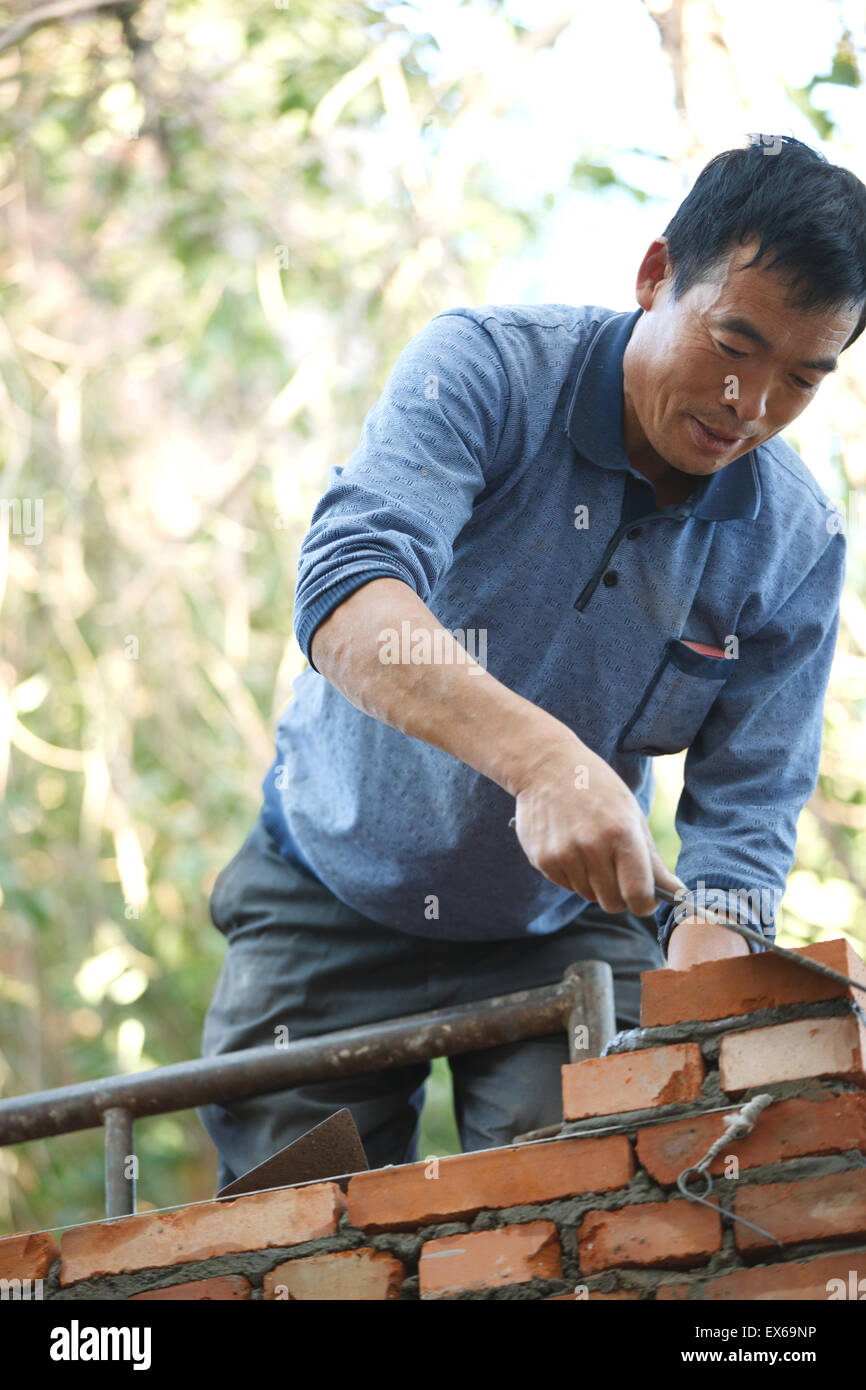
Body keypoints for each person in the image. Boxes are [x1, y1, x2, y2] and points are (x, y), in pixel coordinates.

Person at [197, 135, 866, 1189]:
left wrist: (715, 946)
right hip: (328, 890)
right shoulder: (483, 368)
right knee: (292, 1239)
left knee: (591, 1219)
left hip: (565, 930)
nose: (749, 404)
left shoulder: (793, 541)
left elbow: (743, 825)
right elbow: (343, 593)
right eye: (731, 344)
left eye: (800, 378)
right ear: (653, 277)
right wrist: (545, 763)